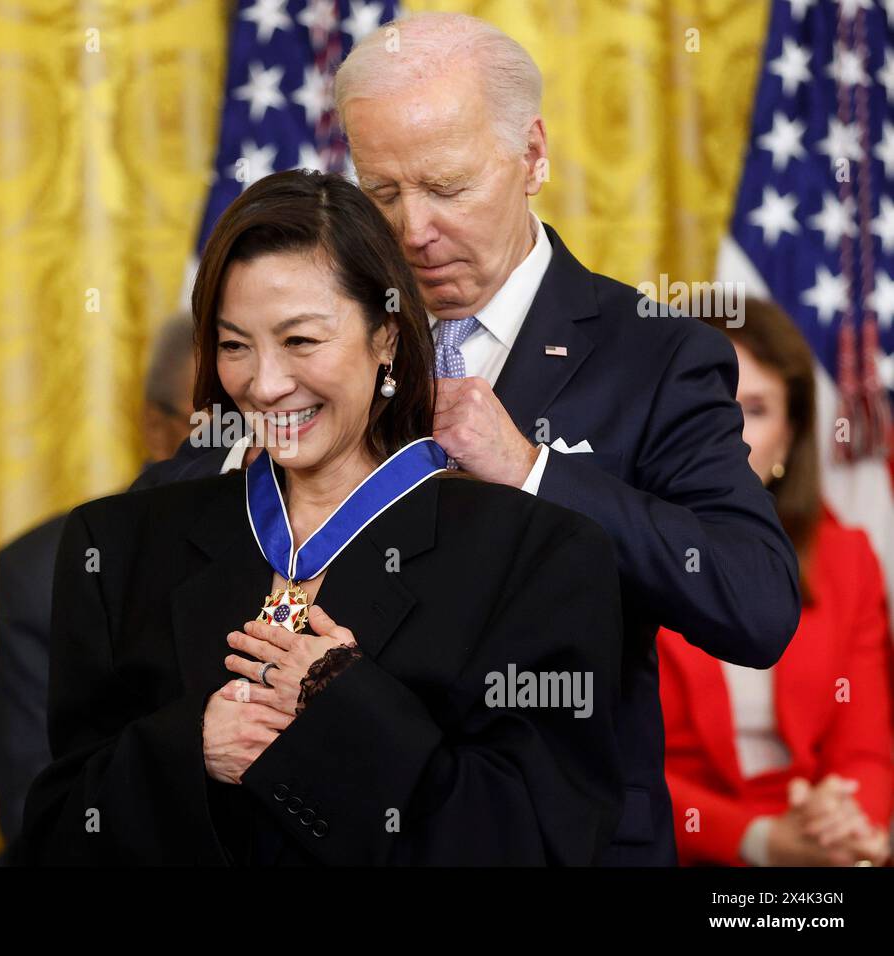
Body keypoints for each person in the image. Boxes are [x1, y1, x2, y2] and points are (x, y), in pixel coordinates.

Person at [138, 12, 801, 864]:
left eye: (447, 188)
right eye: (382, 192)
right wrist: (257, 453)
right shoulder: (310, 337)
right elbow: (155, 527)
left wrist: (529, 470)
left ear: (533, 155)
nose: (413, 230)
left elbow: (755, 601)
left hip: (553, 838)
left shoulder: (653, 353)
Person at [20, 169, 625, 865]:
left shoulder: (539, 554)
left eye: (301, 341)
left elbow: (538, 845)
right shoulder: (116, 545)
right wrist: (192, 749)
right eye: (235, 345)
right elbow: (59, 833)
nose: (265, 383)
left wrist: (341, 704)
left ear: (387, 337)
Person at [658, 299, 893, 867]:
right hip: (670, 849)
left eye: (756, 409)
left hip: (818, 849)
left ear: (788, 438)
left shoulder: (846, 557)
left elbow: (866, 751)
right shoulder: (607, 548)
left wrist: (843, 824)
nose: (729, 432)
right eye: (709, 404)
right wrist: (759, 841)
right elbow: (599, 768)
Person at [0, 313, 197, 848]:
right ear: (156, 428)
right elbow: (37, 810)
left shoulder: (323, 549)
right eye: (220, 427)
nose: (246, 449)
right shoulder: (44, 573)